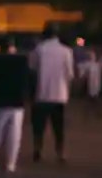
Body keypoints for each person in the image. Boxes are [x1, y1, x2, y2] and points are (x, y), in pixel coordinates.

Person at [28, 24, 75, 163]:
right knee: (58, 126)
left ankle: (37, 150)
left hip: (41, 94)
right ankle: (60, 153)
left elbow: (32, 68)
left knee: (38, 125)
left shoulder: (39, 49)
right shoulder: (66, 51)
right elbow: (70, 75)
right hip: (59, 94)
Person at [78, 41, 102, 119]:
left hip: (96, 80)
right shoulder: (92, 62)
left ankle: (91, 114)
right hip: (92, 80)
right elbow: (85, 70)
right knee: (92, 97)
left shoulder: (100, 61)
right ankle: (93, 113)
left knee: (93, 97)